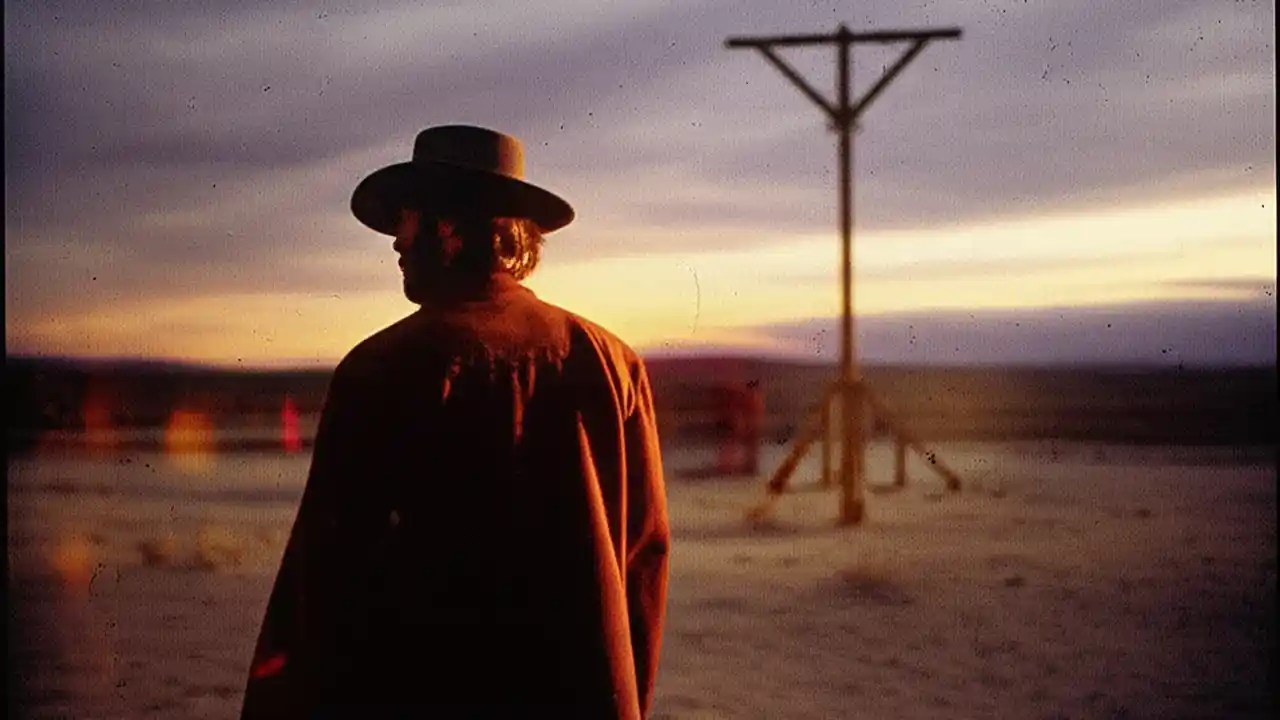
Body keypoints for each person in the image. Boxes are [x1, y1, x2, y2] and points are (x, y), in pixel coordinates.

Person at [241, 125, 670, 719]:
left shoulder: (383, 367)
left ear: (447, 228)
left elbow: (324, 583)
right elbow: (644, 562)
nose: (396, 243)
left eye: (406, 220)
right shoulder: (610, 360)